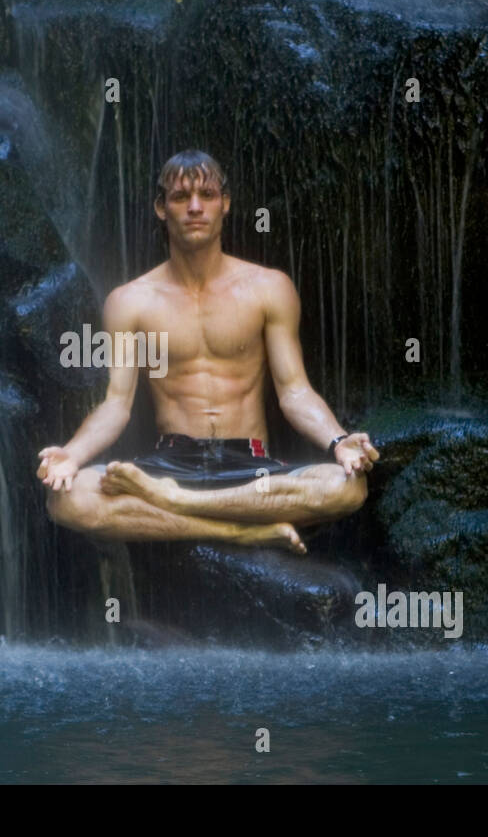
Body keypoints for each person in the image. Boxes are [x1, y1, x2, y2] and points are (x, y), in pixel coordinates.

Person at [37, 149, 379, 554]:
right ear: (161, 209)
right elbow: (116, 405)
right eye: (181, 197)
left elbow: (295, 392)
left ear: (225, 204)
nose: (195, 207)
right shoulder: (130, 302)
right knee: (67, 499)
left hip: (251, 467)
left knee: (348, 488)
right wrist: (70, 456)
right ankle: (236, 531)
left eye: (207, 195)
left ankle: (181, 505)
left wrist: (338, 442)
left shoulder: (268, 288)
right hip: (171, 463)